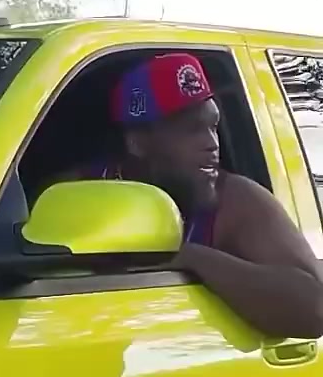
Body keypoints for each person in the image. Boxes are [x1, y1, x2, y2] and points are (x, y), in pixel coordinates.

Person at [84, 51, 323, 340]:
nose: (212, 143)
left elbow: (314, 309)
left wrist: (190, 257)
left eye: (213, 126)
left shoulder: (235, 199)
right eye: (192, 130)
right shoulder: (86, 188)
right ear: (137, 142)